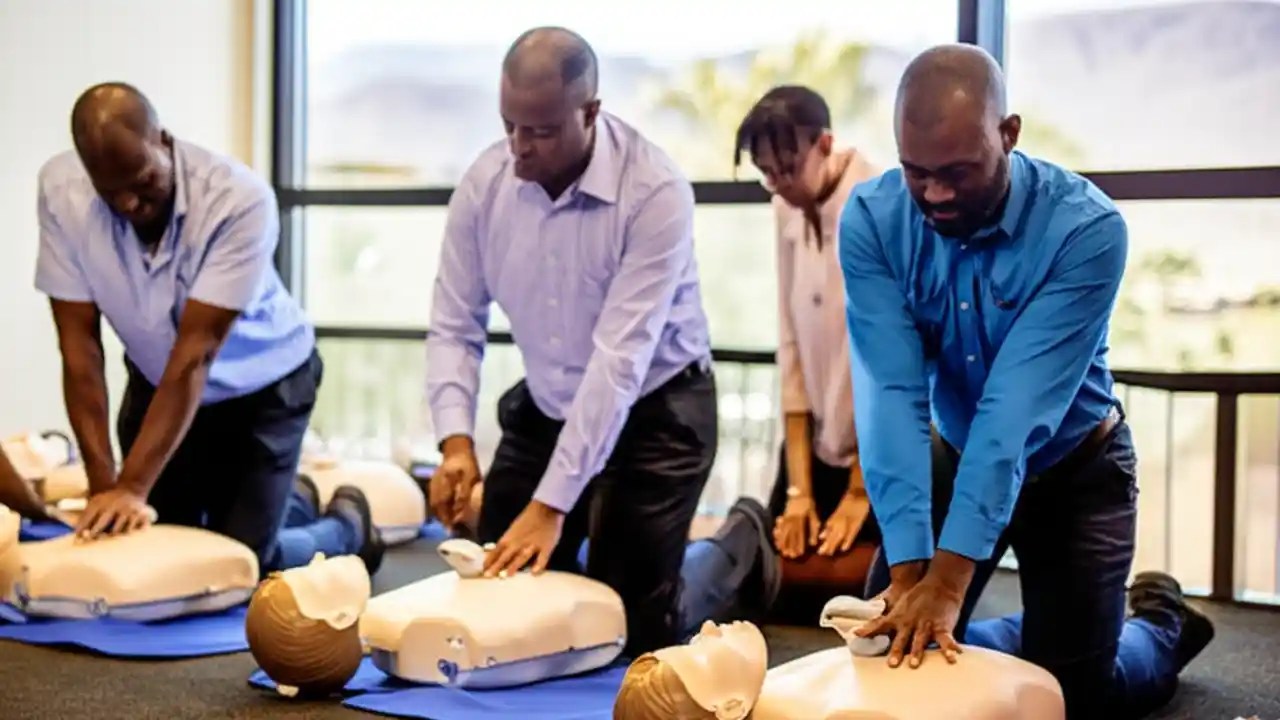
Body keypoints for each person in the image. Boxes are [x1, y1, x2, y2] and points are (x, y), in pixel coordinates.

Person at [838, 44, 1214, 719]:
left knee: (1072, 699)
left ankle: (1161, 622)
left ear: (1008, 134)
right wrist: (911, 573)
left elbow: (1010, 416)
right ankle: (1036, 632)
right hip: (956, 453)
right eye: (917, 173)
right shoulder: (872, 219)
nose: (935, 195)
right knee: (891, 649)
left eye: (957, 172)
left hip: (1076, 471)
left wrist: (948, 584)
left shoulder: (1087, 230)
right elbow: (890, 395)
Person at [425, 26, 718, 657]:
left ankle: (728, 556)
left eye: (540, 130)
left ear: (590, 112)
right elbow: (455, 322)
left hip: (658, 405)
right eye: (509, 126)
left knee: (628, 617)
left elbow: (618, 363)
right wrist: (455, 444)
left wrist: (551, 507)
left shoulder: (655, 191)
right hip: (550, 399)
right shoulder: (484, 184)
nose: (519, 148)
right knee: (498, 586)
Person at [33, 82, 383, 574]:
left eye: (141, 181)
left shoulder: (238, 200)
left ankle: (348, 527)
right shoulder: (61, 191)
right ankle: (293, 498)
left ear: (164, 141)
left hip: (264, 386)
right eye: (110, 192)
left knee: (237, 564)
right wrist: (103, 486)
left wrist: (131, 487)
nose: (129, 203)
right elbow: (79, 351)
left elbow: (194, 355)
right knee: (155, 550)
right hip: (159, 382)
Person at [731, 85, 883, 622]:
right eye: (767, 173)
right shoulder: (785, 208)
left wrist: (861, 491)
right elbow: (791, 345)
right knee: (766, 592)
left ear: (825, 144)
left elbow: (889, 361)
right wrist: (799, 491)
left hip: (880, 453)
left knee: (863, 602)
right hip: (816, 450)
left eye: (789, 168)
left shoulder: (877, 202)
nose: (780, 184)